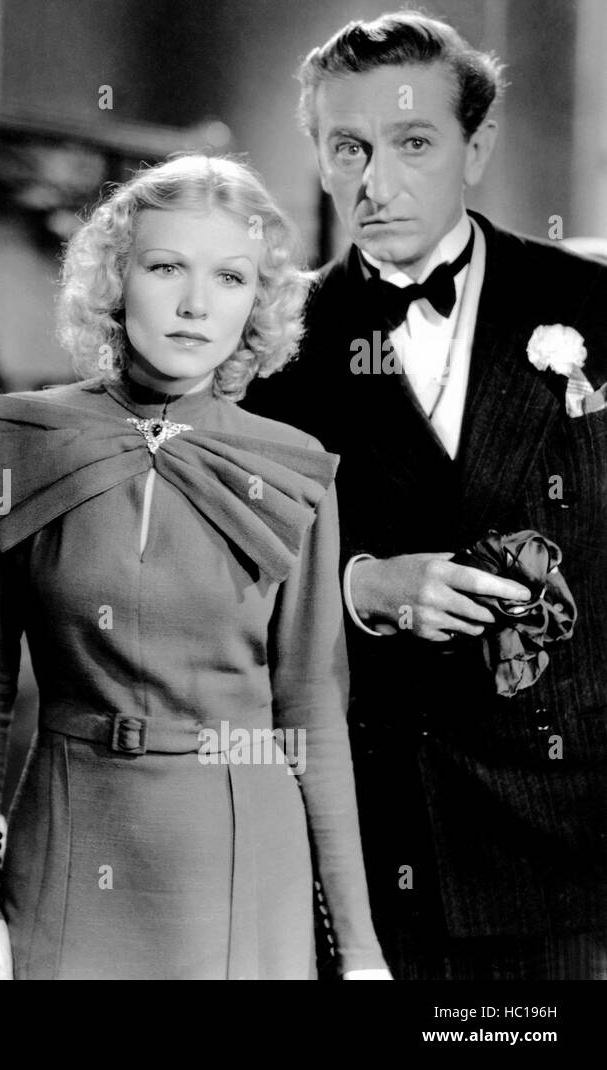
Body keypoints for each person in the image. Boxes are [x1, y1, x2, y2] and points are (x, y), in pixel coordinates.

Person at [0, 154, 388, 980]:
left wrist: (359, 952)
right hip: (71, 842)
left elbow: (312, 711)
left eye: (229, 277)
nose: (194, 304)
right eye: (165, 268)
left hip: (241, 852)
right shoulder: (25, 442)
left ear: (259, 300)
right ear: (116, 281)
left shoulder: (292, 468)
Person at [243, 11, 607, 979]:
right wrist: (359, 586)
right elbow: (223, 590)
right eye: (348, 146)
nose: (377, 180)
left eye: (412, 143)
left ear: (475, 147)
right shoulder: (269, 347)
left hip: (573, 834)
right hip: (373, 827)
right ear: (319, 155)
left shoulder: (596, 309)